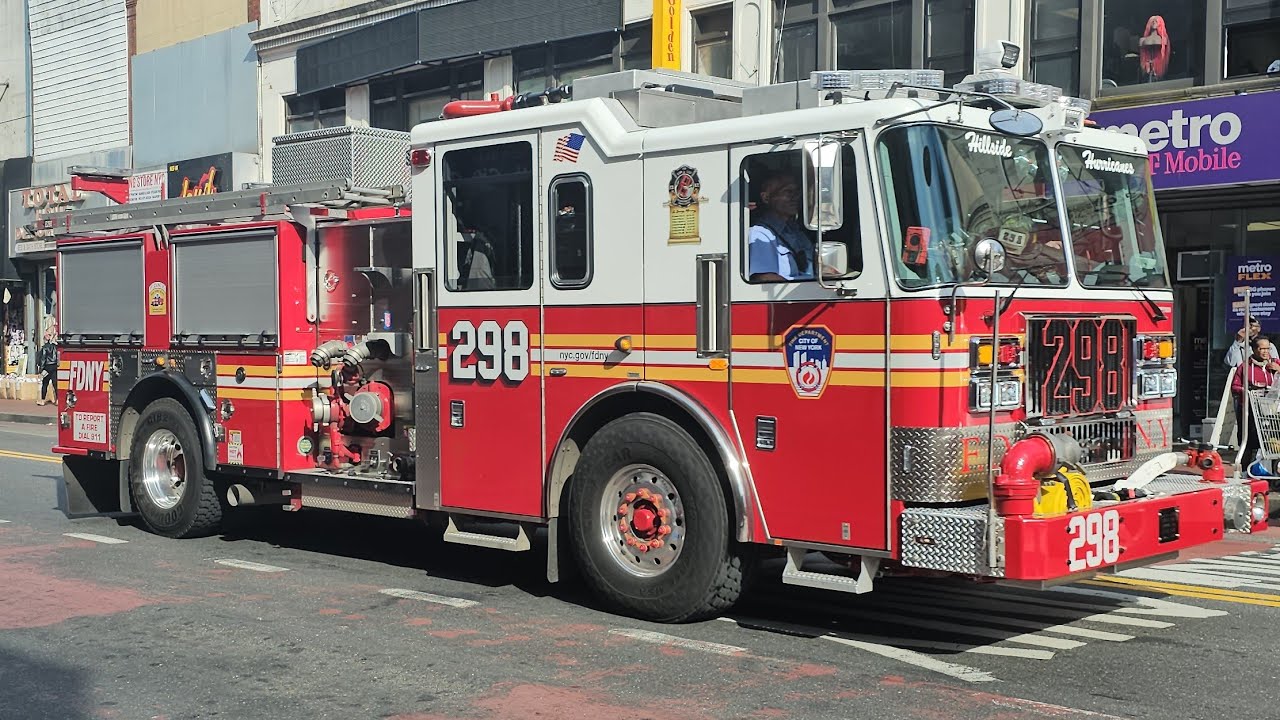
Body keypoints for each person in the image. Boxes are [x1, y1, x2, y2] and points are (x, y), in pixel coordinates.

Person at [748, 174, 814, 283]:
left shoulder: (797, 232)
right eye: (788, 192)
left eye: (797, 192)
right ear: (766, 198)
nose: (795, 197)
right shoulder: (759, 235)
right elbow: (765, 278)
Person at [1231, 335, 1280, 470]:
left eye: (1267, 348)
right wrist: (1247, 391)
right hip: (1250, 409)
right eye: (1261, 348)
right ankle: (1247, 469)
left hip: (1272, 411)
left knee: (1272, 440)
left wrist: (1278, 370)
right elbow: (1235, 387)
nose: (1265, 351)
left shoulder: (1275, 363)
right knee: (1248, 440)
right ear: (1254, 349)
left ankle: (1272, 469)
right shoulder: (1245, 367)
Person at [36, 332, 57, 406]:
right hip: (54, 367)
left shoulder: (44, 347)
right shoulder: (55, 347)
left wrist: (41, 370)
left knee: (45, 383)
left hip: (47, 368)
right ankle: (57, 400)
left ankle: (42, 400)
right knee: (55, 384)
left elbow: (43, 359)